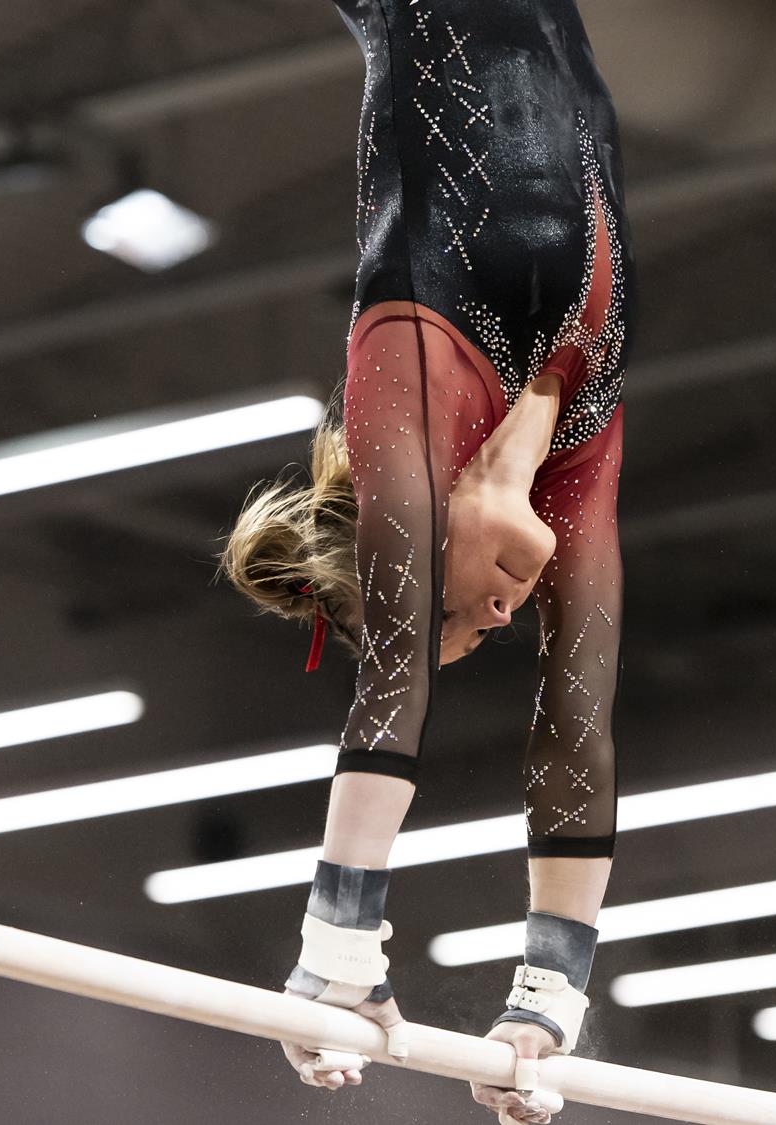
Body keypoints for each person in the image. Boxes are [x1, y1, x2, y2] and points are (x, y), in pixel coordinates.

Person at [222, 1, 632, 1120]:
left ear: (412, 552)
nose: (493, 626)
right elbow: (576, 717)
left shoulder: (403, 379)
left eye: (458, 620)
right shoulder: (581, 450)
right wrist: (548, 1002)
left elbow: (394, 670)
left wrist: (339, 953)